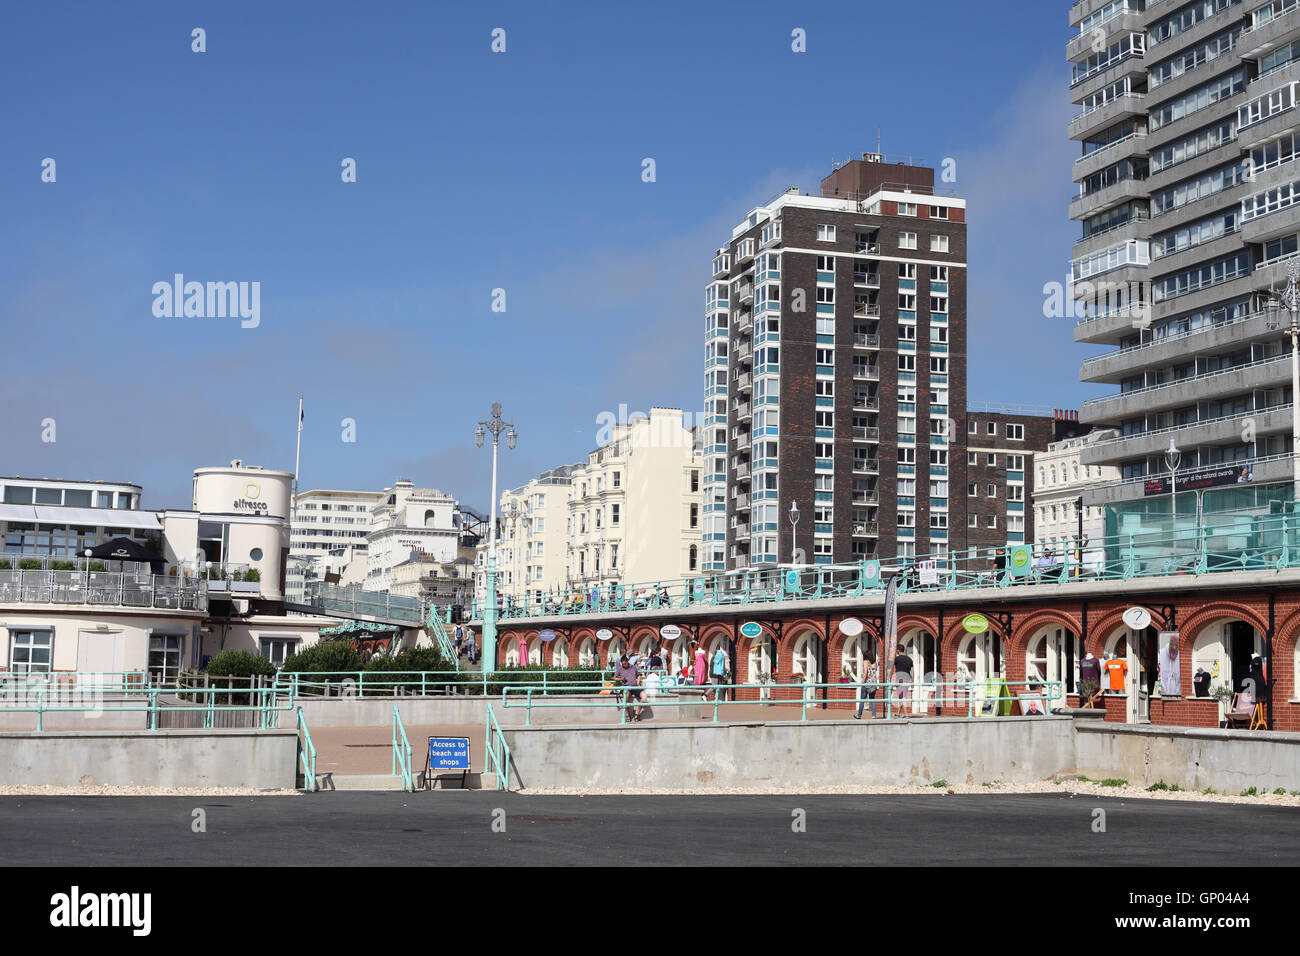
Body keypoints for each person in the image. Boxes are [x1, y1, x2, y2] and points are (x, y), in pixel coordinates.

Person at [613, 654, 644, 721]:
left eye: (625, 664)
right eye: (622, 664)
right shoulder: (620, 669)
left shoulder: (633, 667)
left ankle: (637, 713)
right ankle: (627, 714)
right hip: (626, 687)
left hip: (635, 686)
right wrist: (621, 679)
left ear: (628, 662)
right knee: (626, 697)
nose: (623, 665)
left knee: (644, 697)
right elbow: (614, 678)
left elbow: (638, 675)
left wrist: (638, 681)